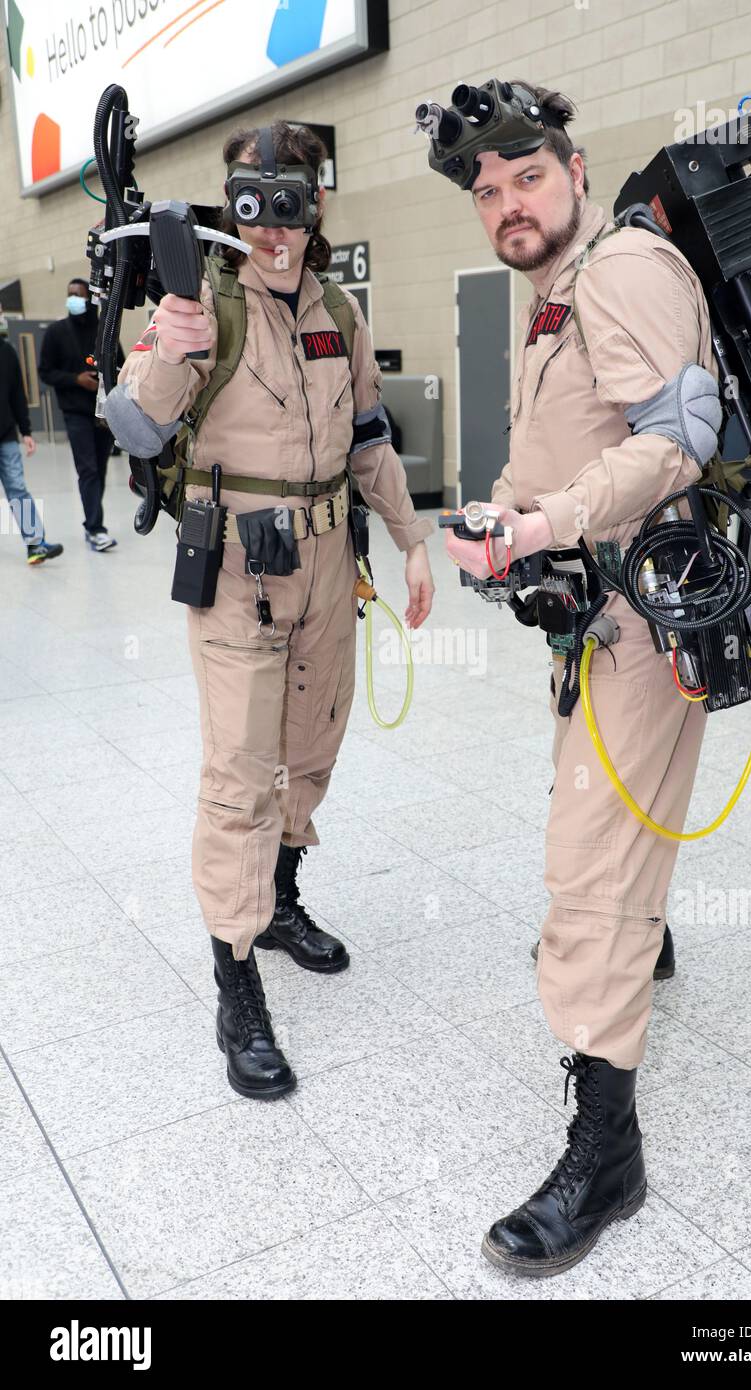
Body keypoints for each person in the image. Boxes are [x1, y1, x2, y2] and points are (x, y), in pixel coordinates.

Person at [430, 81, 719, 1276]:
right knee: (594, 828)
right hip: (592, 614)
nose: (506, 203)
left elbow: (678, 438)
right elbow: (573, 438)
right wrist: (502, 509)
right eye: (488, 192)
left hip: (643, 619)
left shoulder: (621, 269)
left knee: (584, 867)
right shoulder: (555, 294)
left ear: (574, 166)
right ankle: (632, 939)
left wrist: (543, 519)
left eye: (525, 176)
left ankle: (606, 1153)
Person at [112, 120, 434, 1101]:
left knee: (313, 746)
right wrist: (167, 347)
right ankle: (234, 978)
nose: (274, 225)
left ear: (317, 202)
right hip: (238, 574)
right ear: (232, 203)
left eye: (291, 199)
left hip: (330, 564)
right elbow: (132, 420)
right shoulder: (206, 304)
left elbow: (369, 437)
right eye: (252, 201)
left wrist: (413, 540)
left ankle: (282, 902)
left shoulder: (338, 307)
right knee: (239, 771)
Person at [38, 277, 121, 551]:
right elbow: (46, 372)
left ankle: (92, 523)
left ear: (89, 299)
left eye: (79, 294)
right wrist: (76, 380)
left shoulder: (104, 333)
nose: (73, 298)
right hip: (75, 413)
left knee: (99, 469)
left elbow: (121, 366)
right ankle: (96, 528)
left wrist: (106, 380)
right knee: (87, 470)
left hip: (103, 414)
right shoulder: (56, 333)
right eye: (69, 293)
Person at [0, 327, 62, 565]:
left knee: (17, 488)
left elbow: (16, 393)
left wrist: (26, 431)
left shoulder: (7, 351)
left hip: (6, 436)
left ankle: (35, 544)